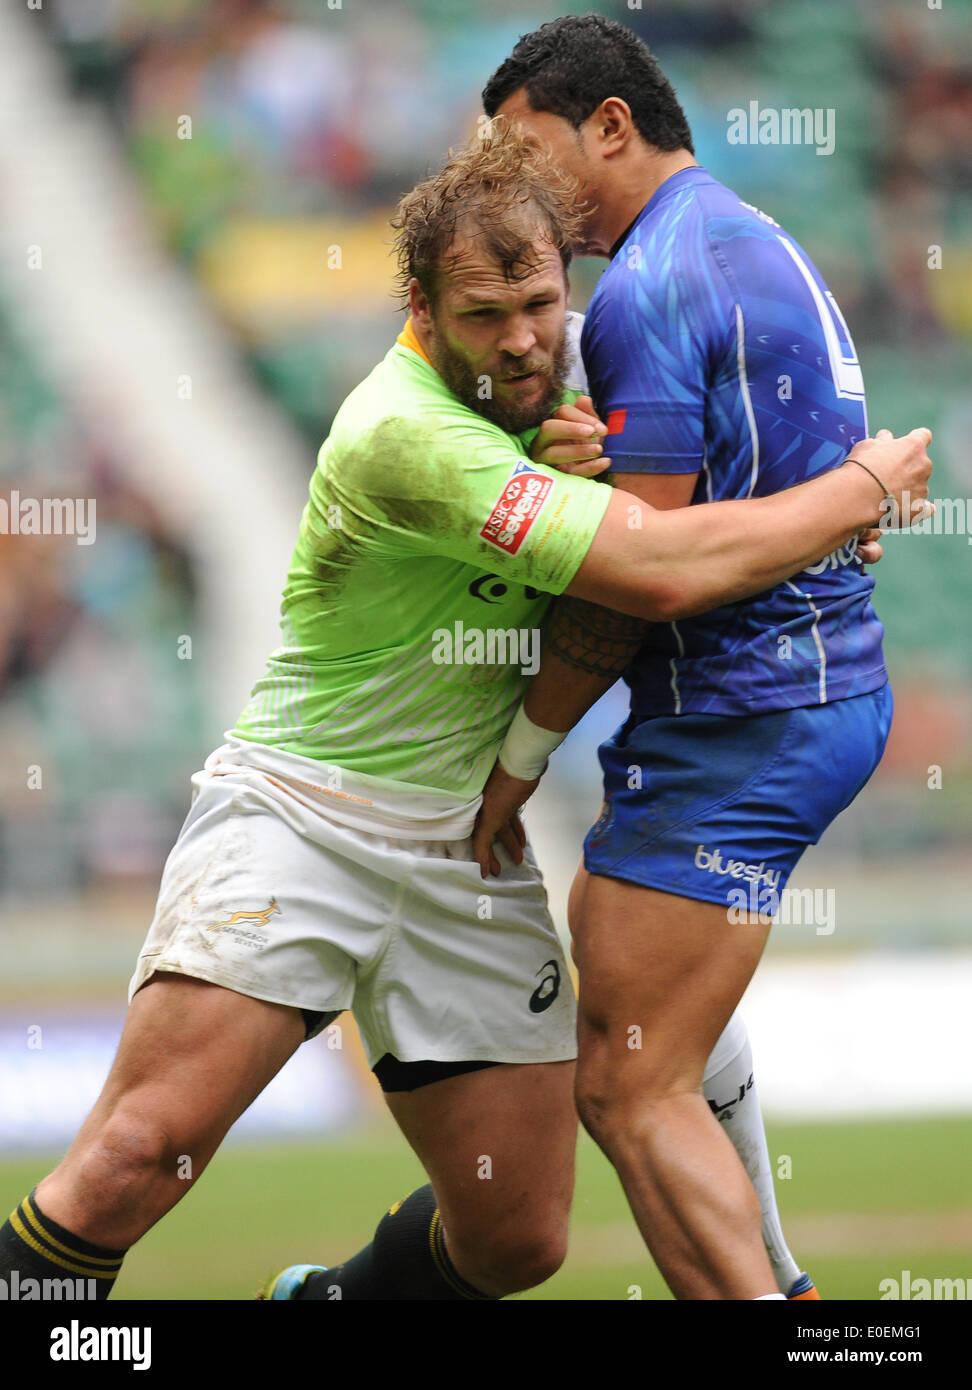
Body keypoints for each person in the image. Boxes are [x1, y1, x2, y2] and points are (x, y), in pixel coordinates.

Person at [0, 125, 931, 1303]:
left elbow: (705, 491)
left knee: (518, 1236)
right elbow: (657, 571)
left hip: (464, 847)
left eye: (540, 302)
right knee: (136, 1157)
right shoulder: (405, 434)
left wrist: (786, 498)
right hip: (306, 815)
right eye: (486, 316)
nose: (523, 338)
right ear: (422, 307)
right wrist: (857, 487)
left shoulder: (584, 376)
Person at [476, 15, 928, 1299]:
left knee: (628, 1077)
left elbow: (639, 579)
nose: (514, 188)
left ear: (609, 125)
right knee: (640, 1011)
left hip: (751, 712)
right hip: (807, 686)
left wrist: (518, 756)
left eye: (527, 149)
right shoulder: (751, 232)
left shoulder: (647, 289)